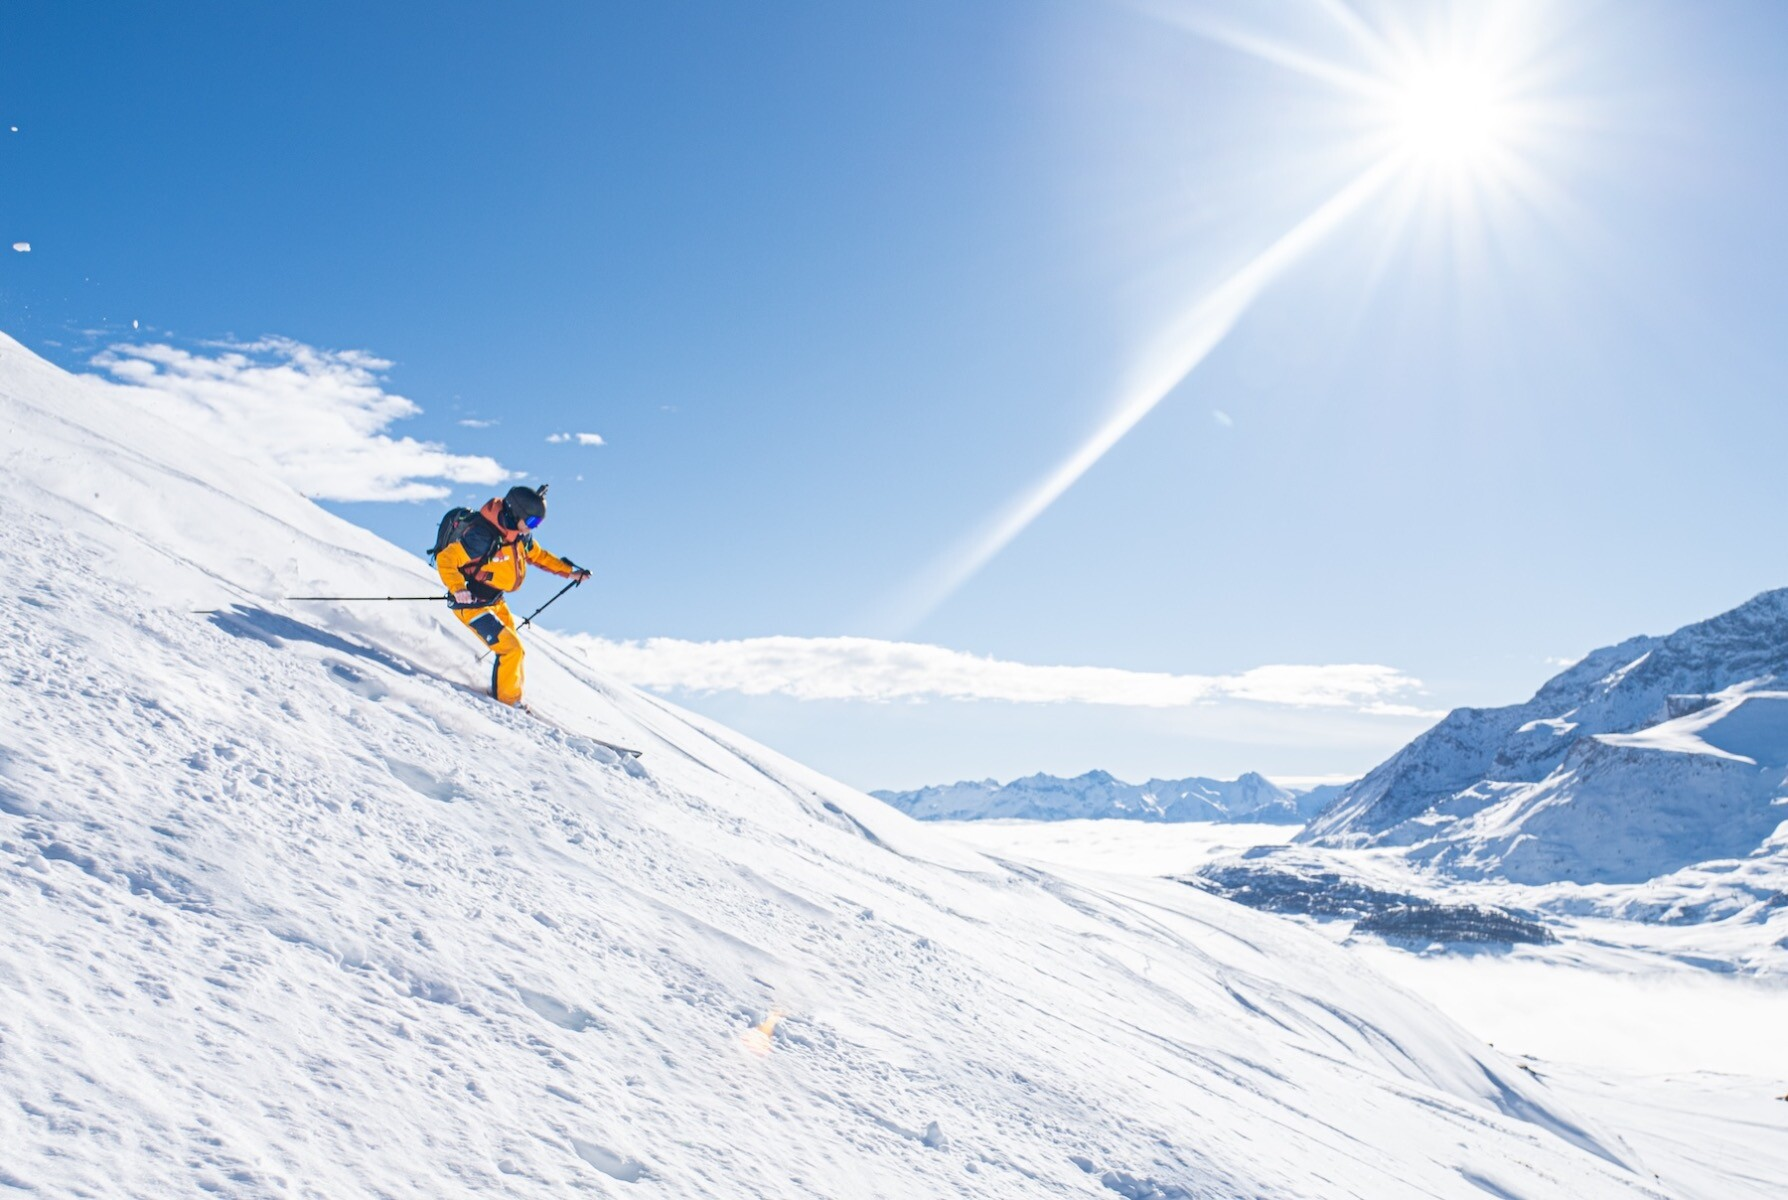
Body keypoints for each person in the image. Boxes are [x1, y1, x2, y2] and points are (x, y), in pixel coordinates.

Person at [434, 484, 589, 706]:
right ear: (517, 513)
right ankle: (507, 703)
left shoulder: (519, 537)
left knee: (516, 649)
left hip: (495, 601)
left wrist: (570, 573)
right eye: (532, 522)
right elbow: (447, 559)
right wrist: (459, 589)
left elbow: (540, 556)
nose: (533, 528)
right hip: (472, 604)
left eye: (538, 523)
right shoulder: (482, 536)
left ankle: (512, 697)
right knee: (511, 650)